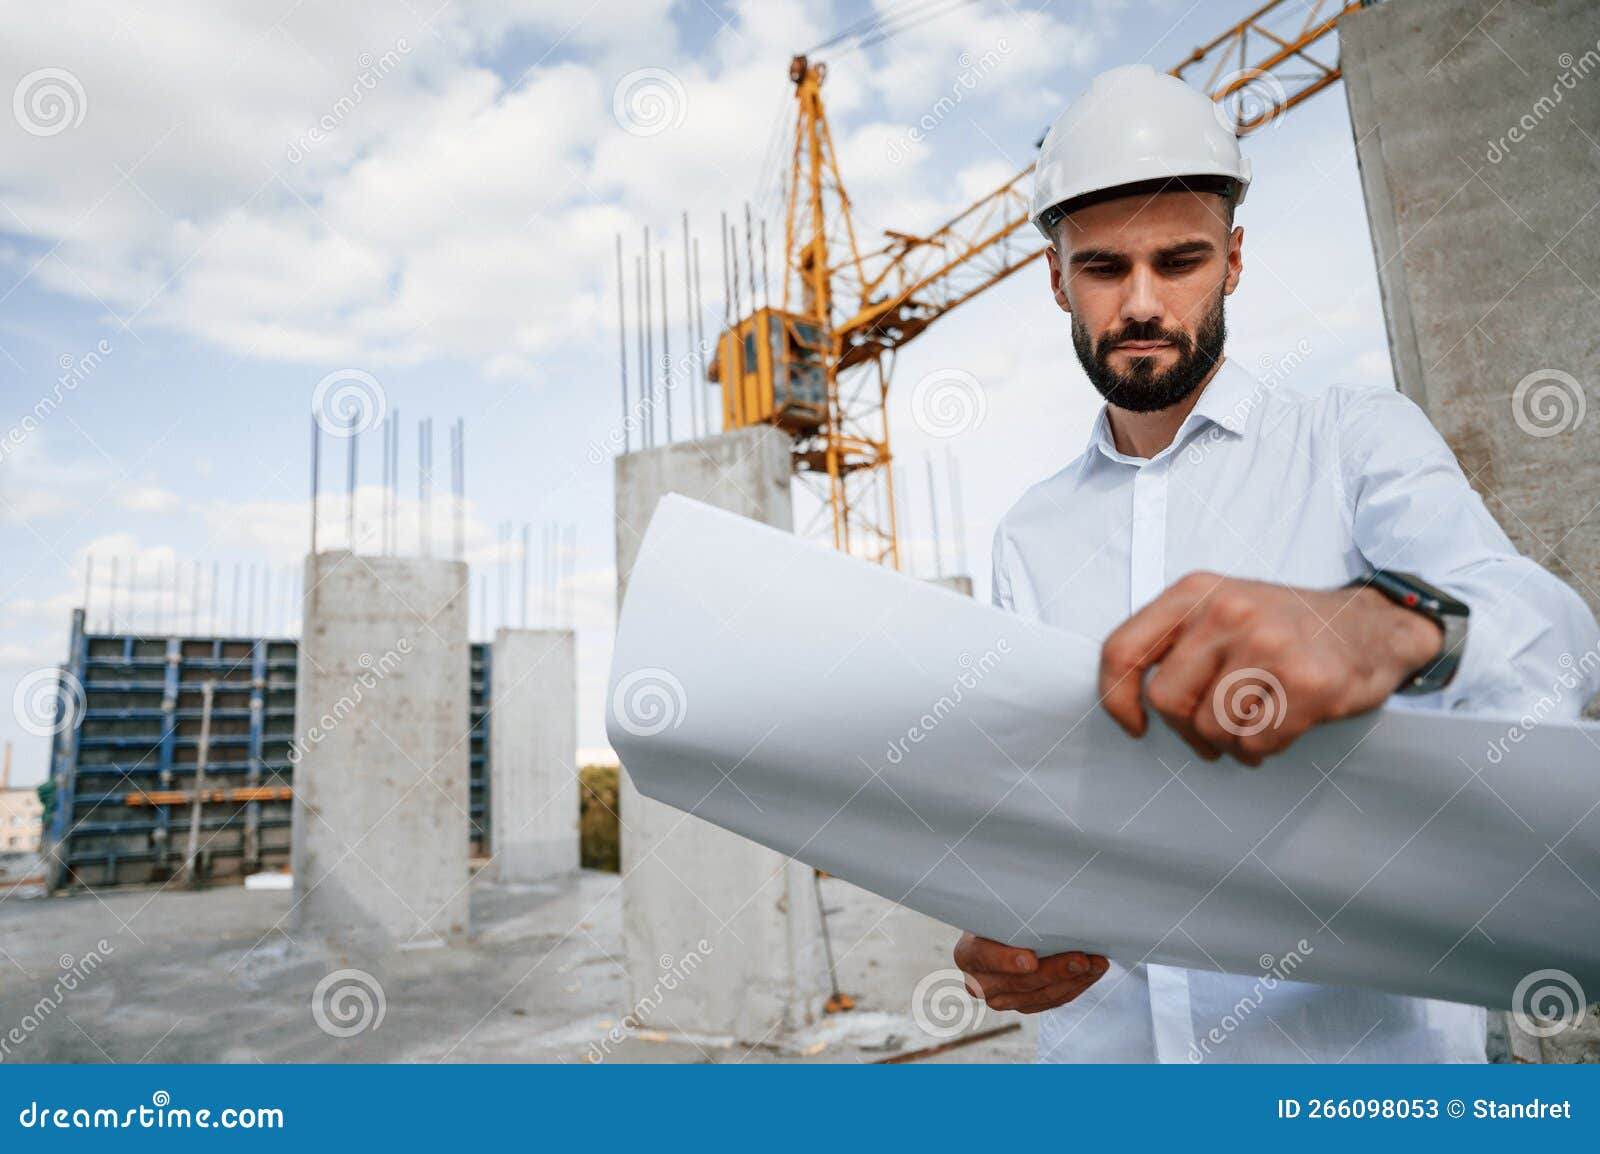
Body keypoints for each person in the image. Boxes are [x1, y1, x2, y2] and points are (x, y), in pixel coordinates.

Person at [954, 63, 1600, 1063]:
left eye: (1179, 261)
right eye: (1103, 269)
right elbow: (1031, 800)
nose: (1141, 303)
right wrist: (998, 927)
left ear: (1234, 261)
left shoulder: (1354, 439)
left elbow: (1554, 640)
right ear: (1055, 279)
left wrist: (1382, 623)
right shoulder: (1026, 535)